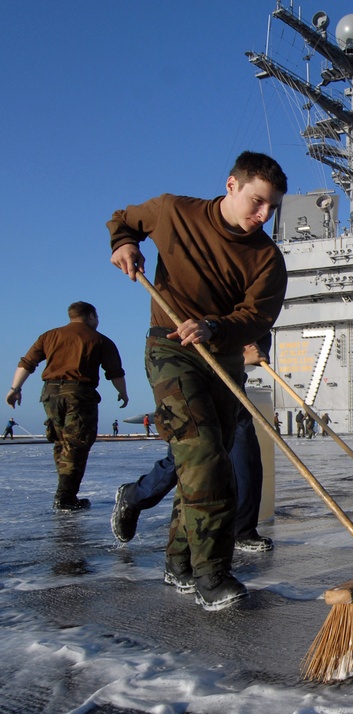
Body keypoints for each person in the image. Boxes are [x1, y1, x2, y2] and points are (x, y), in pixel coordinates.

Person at [108, 150, 288, 612]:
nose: (263, 215)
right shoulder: (173, 211)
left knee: (205, 464)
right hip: (170, 347)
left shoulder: (267, 257)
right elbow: (124, 219)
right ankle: (213, 574)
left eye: (272, 207)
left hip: (222, 357)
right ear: (231, 186)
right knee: (205, 459)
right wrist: (123, 243)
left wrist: (214, 326)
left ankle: (179, 563)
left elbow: (257, 315)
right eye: (257, 202)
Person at [111, 342, 275, 553]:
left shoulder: (254, 311)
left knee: (245, 456)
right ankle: (134, 496)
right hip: (192, 386)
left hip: (232, 385)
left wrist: (256, 350)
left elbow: (256, 335)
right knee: (188, 458)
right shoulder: (192, 312)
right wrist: (238, 358)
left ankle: (242, 530)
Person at [6, 301, 129, 510]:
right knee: (77, 445)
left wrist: (15, 388)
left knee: (61, 442)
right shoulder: (99, 340)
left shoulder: (49, 336)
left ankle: (65, 492)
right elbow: (115, 372)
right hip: (79, 394)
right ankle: (65, 497)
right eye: (96, 317)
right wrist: (123, 393)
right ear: (90, 316)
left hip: (51, 393)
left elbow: (27, 363)